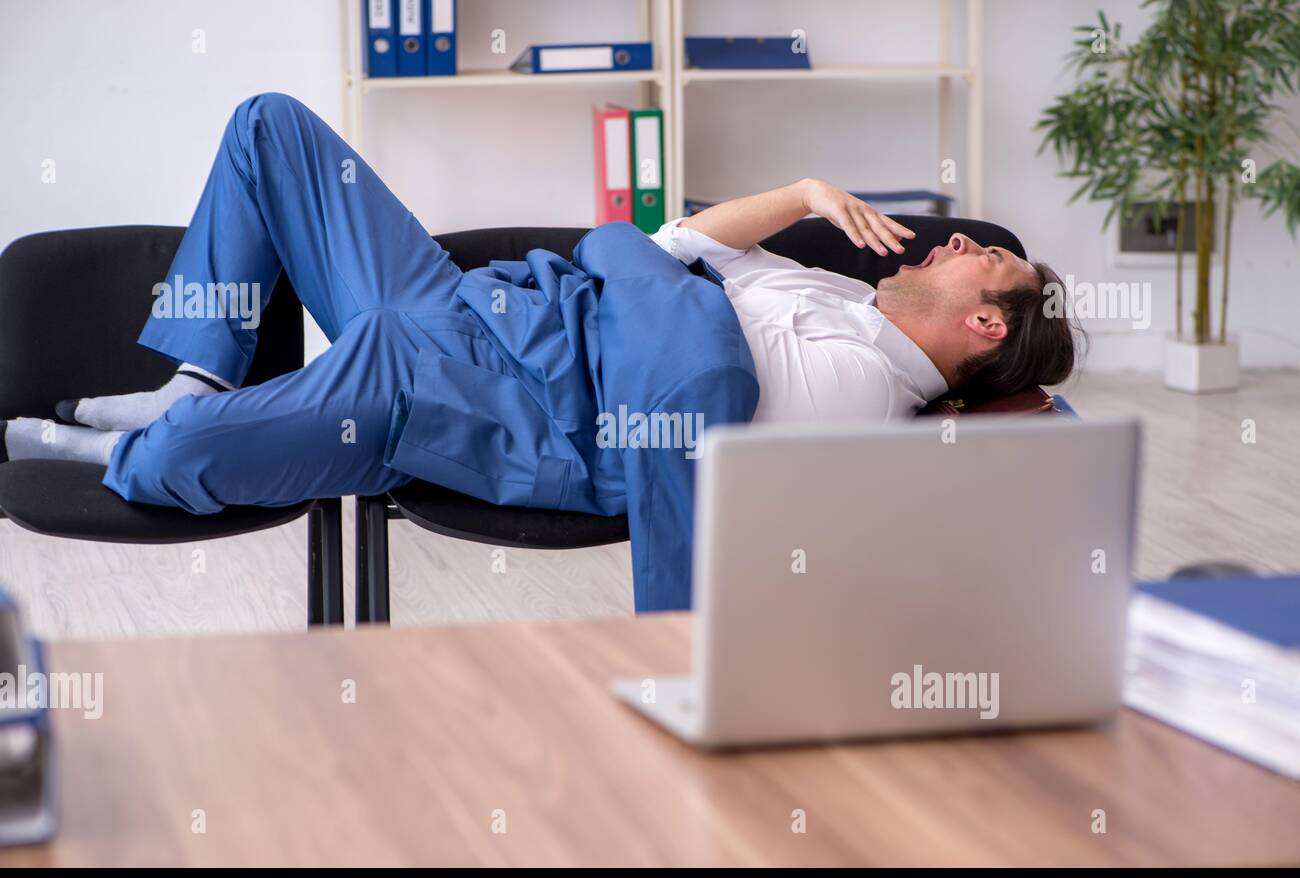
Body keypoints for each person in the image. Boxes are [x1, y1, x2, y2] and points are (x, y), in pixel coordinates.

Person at [0, 94, 1076, 610]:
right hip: (479, 305)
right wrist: (798, 195)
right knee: (271, 129)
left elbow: (677, 387)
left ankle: (145, 439)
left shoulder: (858, 402)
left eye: (986, 260)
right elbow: (667, 247)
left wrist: (651, 288)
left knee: (193, 463)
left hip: (480, 398)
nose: (961, 238)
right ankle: (193, 376)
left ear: (984, 326)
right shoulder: (827, 285)